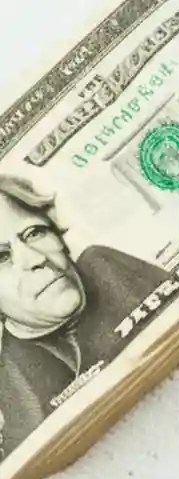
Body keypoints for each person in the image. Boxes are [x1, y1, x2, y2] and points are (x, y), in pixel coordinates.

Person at [0, 175, 167, 457]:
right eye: (2, 258)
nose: (36, 259)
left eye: (34, 233)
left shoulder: (108, 269)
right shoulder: (10, 382)